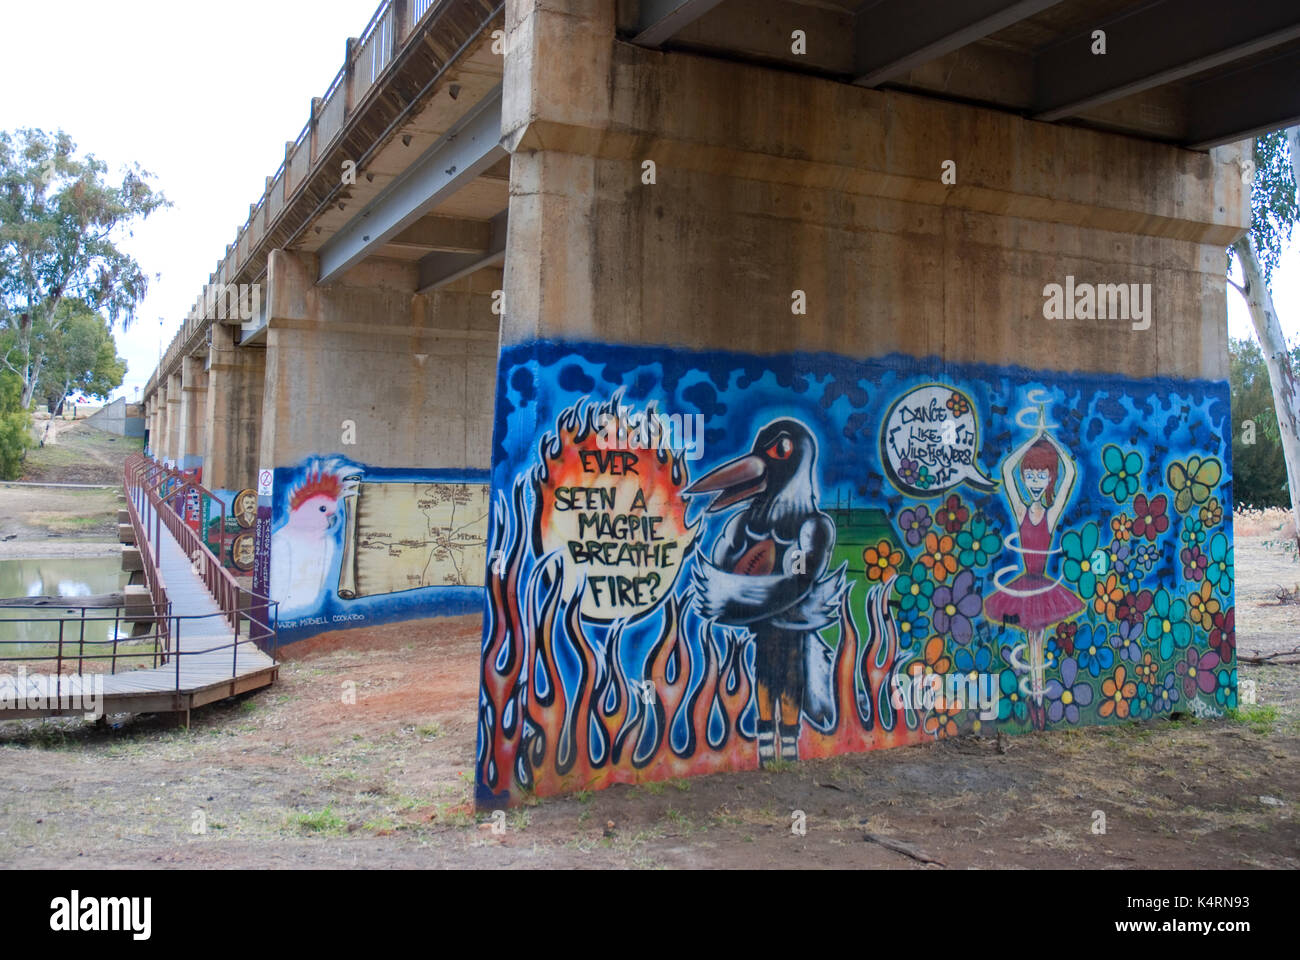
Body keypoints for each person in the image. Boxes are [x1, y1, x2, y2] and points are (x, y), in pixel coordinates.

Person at [986, 405, 1082, 729]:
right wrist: (1033, 439)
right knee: (1032, 641)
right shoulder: (1020, 507)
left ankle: (1038, 700)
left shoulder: (1051, 514)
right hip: (1025, 584)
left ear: (1049, 476)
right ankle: (1036, 701)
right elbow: (1007, 470)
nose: (1035, 480)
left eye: (1042, 474)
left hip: (1043, 586)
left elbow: (1069, 473)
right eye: (1031, 475)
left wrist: (1051, 441)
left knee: (1037, 641)